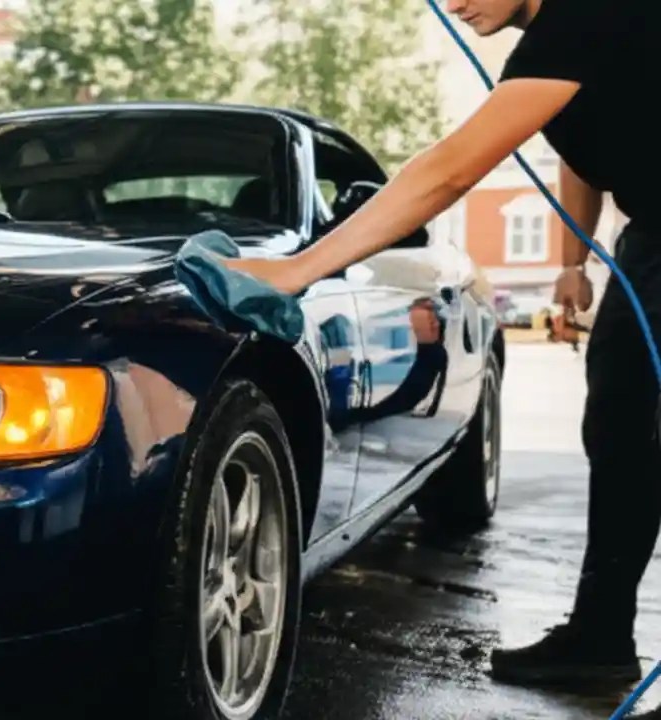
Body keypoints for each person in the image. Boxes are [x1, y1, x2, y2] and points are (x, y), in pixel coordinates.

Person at [225, 0, 660, 687]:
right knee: (622, 428)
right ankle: (599, 637)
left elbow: (450, 169)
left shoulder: (590, 14)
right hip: (650, 240)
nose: (453, 3)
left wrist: (298, 270)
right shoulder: (564, 45)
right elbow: (583, 146)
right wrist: (574, 265)